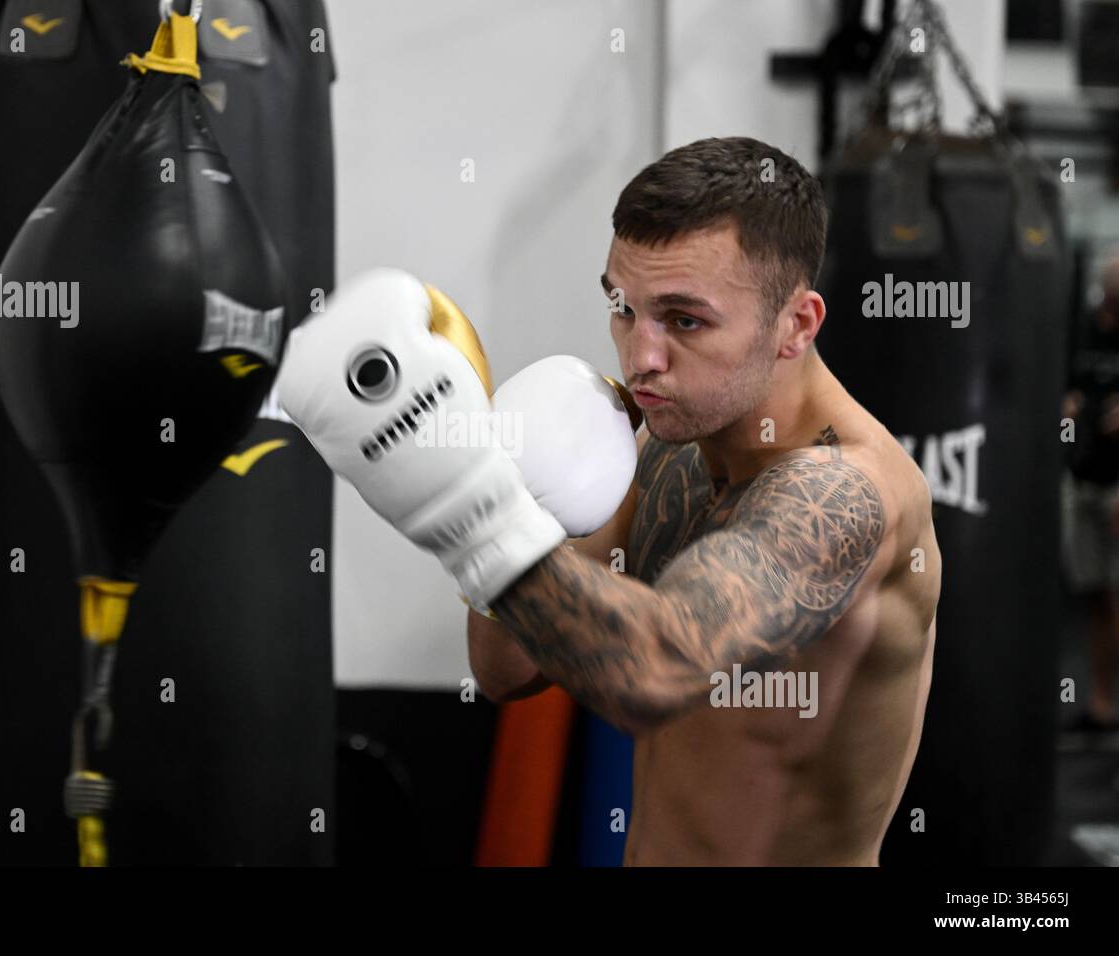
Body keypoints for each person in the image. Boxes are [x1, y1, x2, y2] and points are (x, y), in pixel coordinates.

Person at [280, 136, 941, 866]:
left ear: (796, 325)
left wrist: (471, 506)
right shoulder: (663, 447)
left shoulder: (847, 492)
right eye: (625, 309)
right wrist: (517, 487)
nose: (640, 356)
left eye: (684, 320)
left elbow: (657, 672)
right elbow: (505, 672)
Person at [1060, 257, 1119, 734]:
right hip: (1083, 480)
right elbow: (1068, 390)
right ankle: (1101, 702)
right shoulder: (1083, 329)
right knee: (1095, 597)